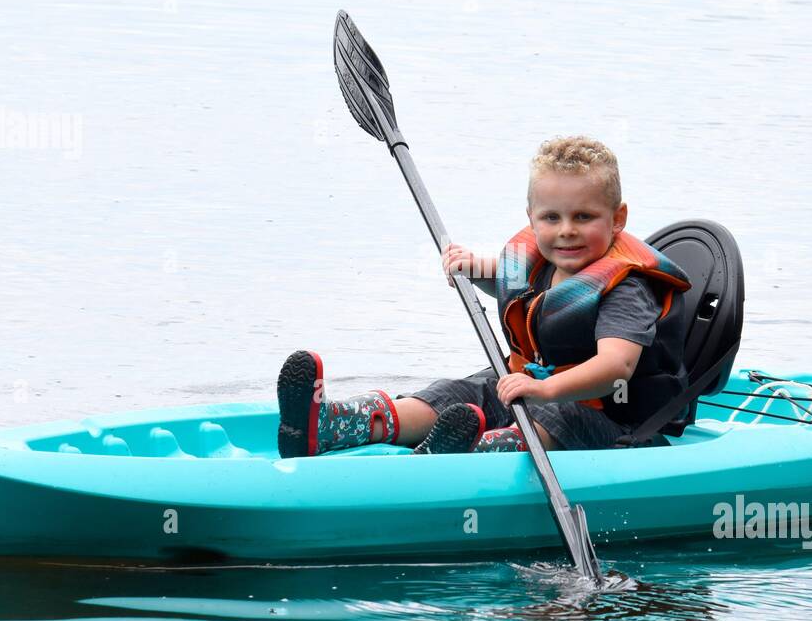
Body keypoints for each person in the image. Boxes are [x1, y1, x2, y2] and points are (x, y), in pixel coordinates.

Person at [276, 136, 692, 458]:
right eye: (552, 217)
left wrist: (547, 391)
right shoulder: (545, 262)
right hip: (531, 387)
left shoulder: (626, 289)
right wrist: (471, 267)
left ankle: (469, 453)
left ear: (617, 219)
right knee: (466, 390)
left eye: (584, 217)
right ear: (531, 217)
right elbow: (514, 289)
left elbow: (616, 366)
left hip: (611, 422)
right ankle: (336, 426)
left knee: (555, 415)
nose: (566, 230)